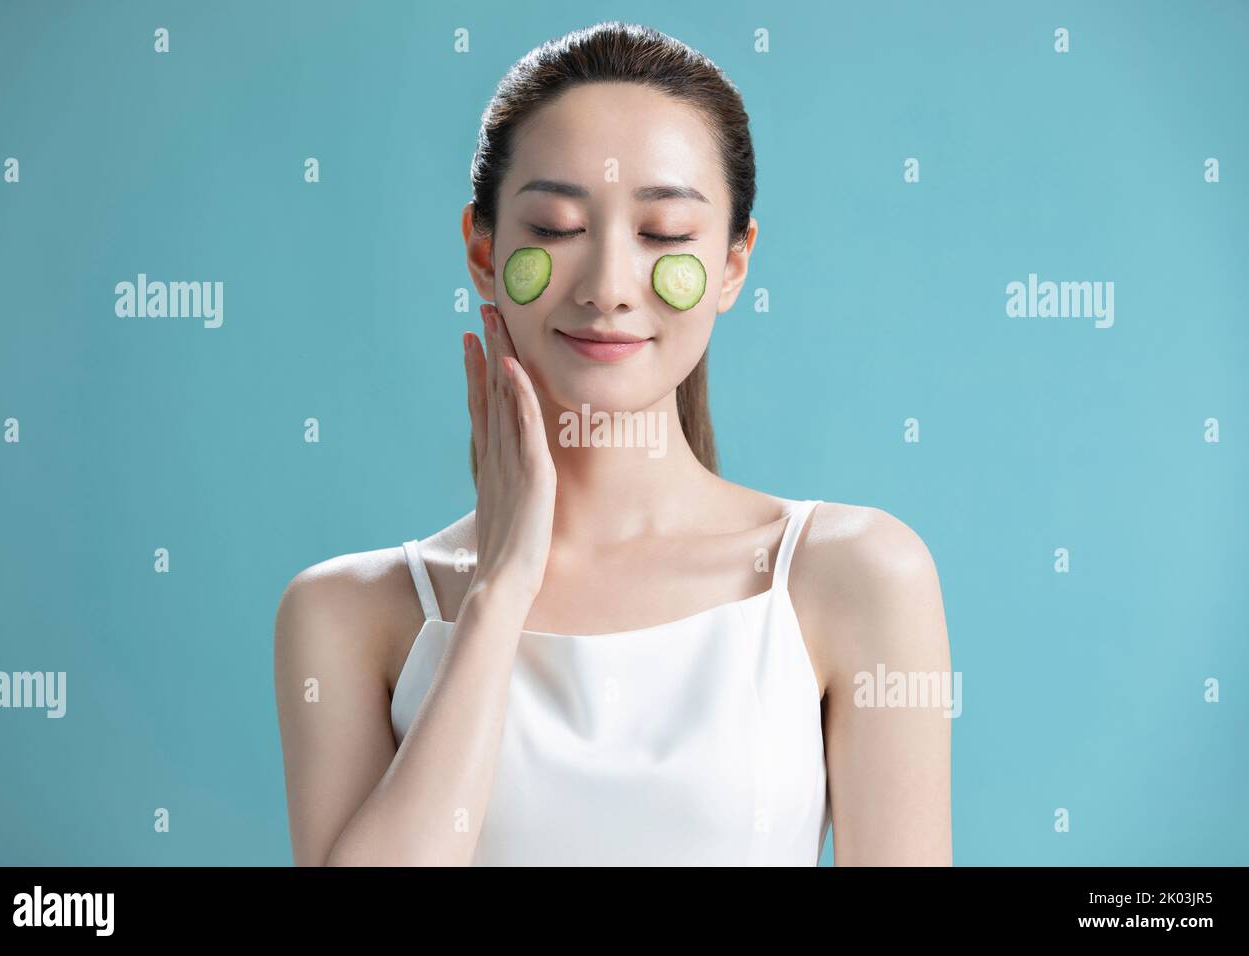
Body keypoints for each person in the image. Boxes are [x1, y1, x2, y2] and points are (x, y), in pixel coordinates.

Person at [275, 20, 952, 866]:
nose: (607, 289)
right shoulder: (347, 614)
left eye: (665, 234)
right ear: (483, 252)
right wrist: (497, 595)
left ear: (736, 264)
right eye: (556, 228)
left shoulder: (853, 575)